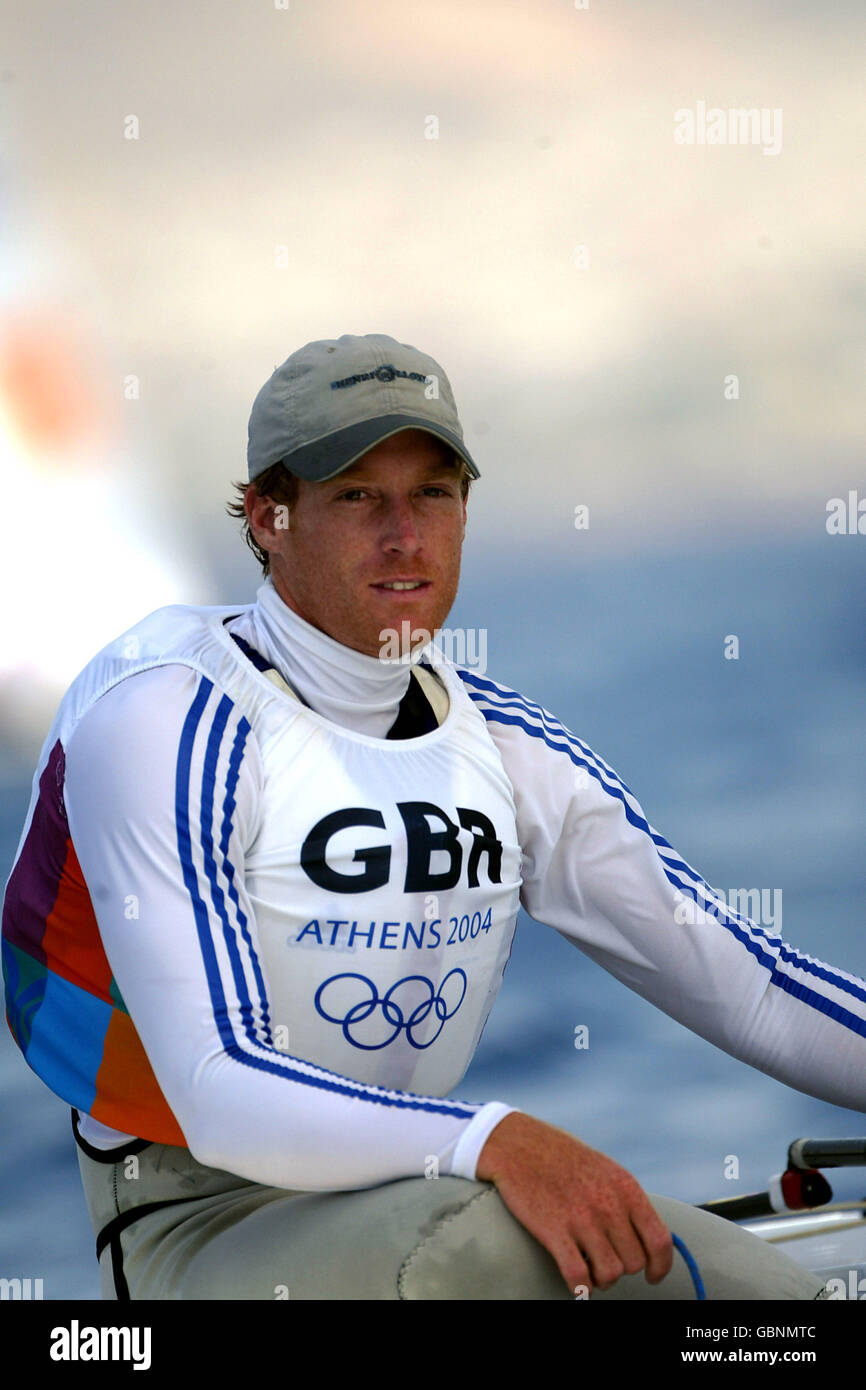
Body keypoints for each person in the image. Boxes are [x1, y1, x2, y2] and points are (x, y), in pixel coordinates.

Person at [3, 333, 863, 1302]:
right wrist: (496, 1140)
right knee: (499, 1254)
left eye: (434, 493)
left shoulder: (502, 744)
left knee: (790, 1301)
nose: (404, 534)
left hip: (417, 1186)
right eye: (357, 495)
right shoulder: (163, 721)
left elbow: (750, 987)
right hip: (194, 1220)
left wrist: (483, 1151)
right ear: (266, 517)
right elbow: (217, 1087)